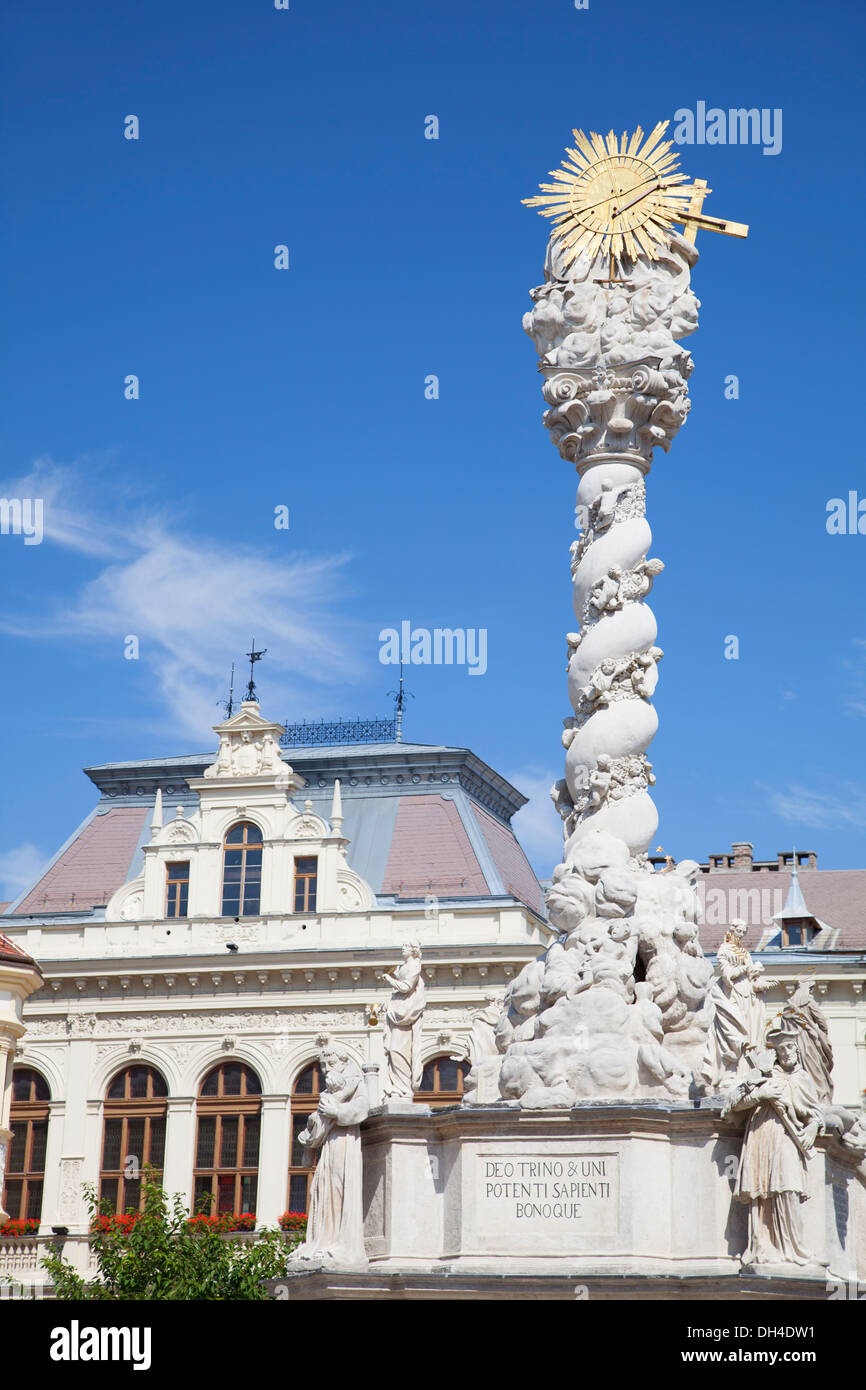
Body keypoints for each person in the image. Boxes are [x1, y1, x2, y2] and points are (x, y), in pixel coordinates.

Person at [723, 1025, 822, 1267]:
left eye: (789, 1047)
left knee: (788, 1185)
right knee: (762, 1190)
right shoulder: (764, 1073)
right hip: (762, 1135)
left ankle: (795, 1248)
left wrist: (812, 1128)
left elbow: (815, 1114)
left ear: (797, 1050)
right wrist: (760, 1093)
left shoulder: (803, 1079)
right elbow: (732, 1103)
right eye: (780, 1048)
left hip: (788, 1137)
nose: (786, 1052)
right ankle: (763, 1246)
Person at [291, 1046, 369, 1267]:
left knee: (339, 1188)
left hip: (346, 1144)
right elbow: (318, 1122)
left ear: (344, 1063)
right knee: (323, 1189)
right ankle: (324, 1238)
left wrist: (337, 1113)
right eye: (323, 1066)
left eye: (331, 1064)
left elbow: (363, 1109)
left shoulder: (355, 1084)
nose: (326, 1070)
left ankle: (339, 1240)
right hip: (328, 1146)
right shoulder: (326, 1093)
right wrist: (314, 1124)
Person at [701, 920, 768, 1089]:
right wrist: (745, 968)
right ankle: (730, 1071)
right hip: (731, 993)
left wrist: (757, 975)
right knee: (734, 1031)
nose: (741, 934)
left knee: (750, 1032)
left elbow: (751, 973)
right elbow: (727, 975)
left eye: (743, 932)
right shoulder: (724, 950)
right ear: (732, 930)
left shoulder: (745, 952)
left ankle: (744, 1071)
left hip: (747, 993)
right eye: (739, 930)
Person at [382, 941, 426, 1099]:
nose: (402, 948)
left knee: (399, 1051)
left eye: (406, 946)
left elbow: (407, 987)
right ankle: (397, 1088)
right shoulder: (400, 967)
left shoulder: (415, 965)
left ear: (413, 950)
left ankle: (404, 1088)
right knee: (393, 1052)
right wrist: (388, 1003)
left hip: (407, 1014)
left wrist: (390, 980)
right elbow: (397, 993)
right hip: (398, 1010)